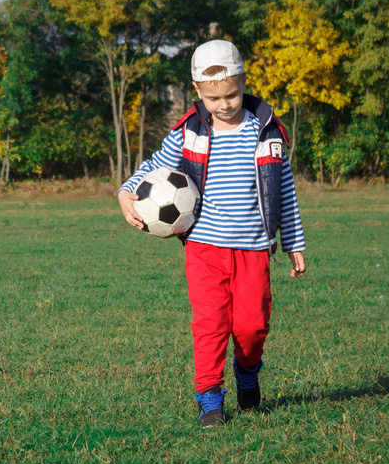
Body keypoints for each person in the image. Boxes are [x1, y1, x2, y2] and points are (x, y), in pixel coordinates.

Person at [118, 39, 307, 428]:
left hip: (253, 249)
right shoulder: (189, 132)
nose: (224, 104)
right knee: (211, 324)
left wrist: (294, 243)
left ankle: (248, 371)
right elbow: (153, 166)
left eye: (232, 94)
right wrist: (125, 192)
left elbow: (283, 190)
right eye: (214, 98)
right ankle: (209, 397)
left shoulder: (266, 131)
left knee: (252, 327)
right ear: (199, 93)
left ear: (243, 83)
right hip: (204, 248)